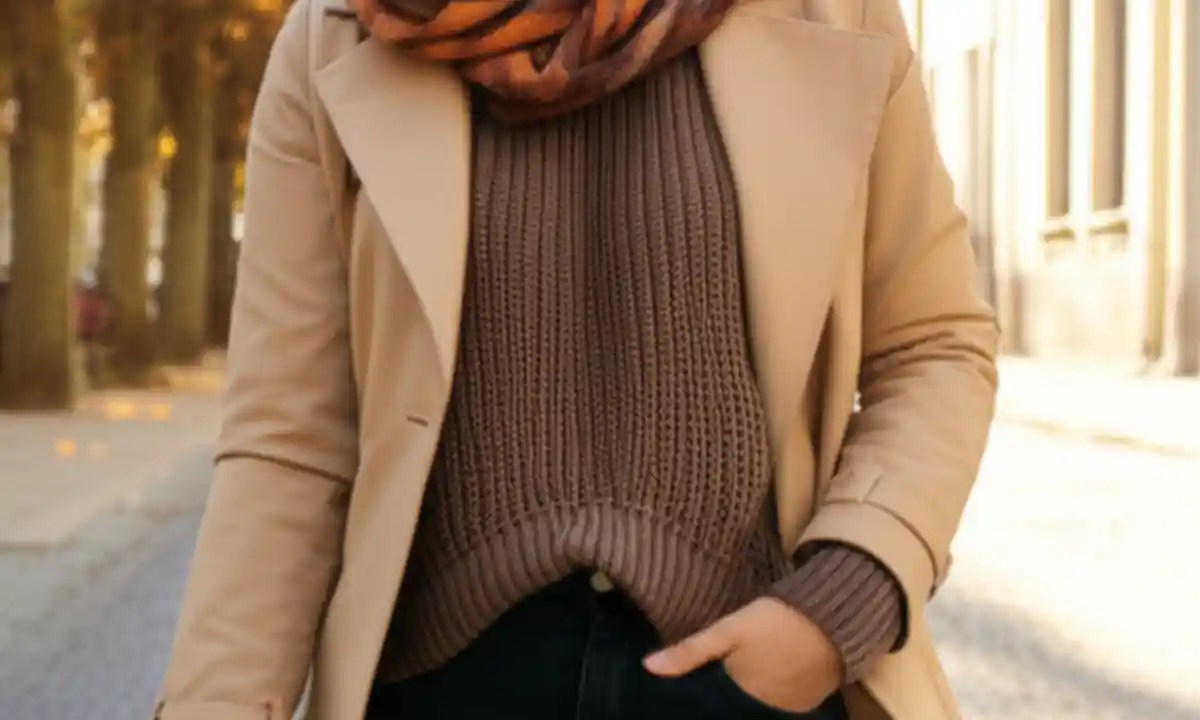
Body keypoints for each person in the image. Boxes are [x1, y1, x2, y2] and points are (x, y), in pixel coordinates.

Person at [155, 0, 999, 718]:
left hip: (753, 682)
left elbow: (933, 343)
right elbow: (287, 442)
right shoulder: (335, 33)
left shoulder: (834, 13)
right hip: (445, 687)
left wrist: (841, 601)